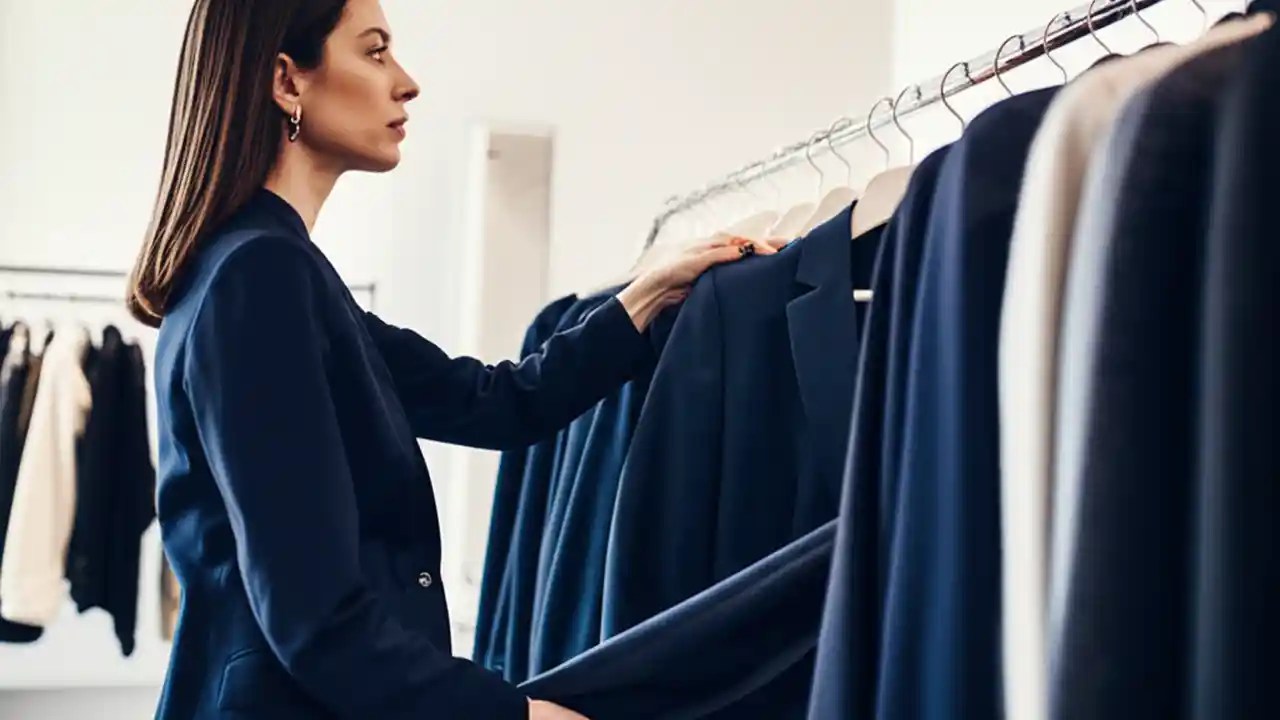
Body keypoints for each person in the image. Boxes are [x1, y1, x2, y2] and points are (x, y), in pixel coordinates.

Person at [127, 1, 775, 718]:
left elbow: (496, 402)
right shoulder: (259, 279)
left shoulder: (272, 272)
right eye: (375, 52)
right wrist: (517, 716)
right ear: (288, 82)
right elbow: (316, 620)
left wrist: (645, 297)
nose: (407, 83)